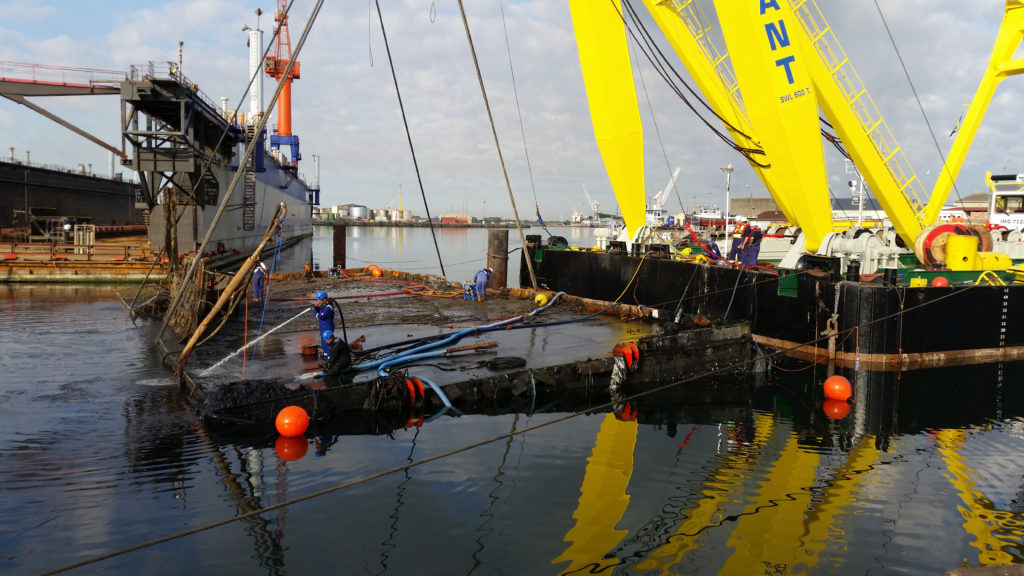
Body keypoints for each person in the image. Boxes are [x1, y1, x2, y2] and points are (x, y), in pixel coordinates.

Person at [312, 290, 335, 358]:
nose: (320, 302)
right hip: (324, 327)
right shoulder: (325, 305)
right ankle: (326, 357)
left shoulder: (328, 308)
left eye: (320, 300)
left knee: (327, 344)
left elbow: (320, 317)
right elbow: (322, 309)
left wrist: (314, 311)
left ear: (324, 299)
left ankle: (330, 358)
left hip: (327, 328)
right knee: (324, 344)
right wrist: (316, 308)